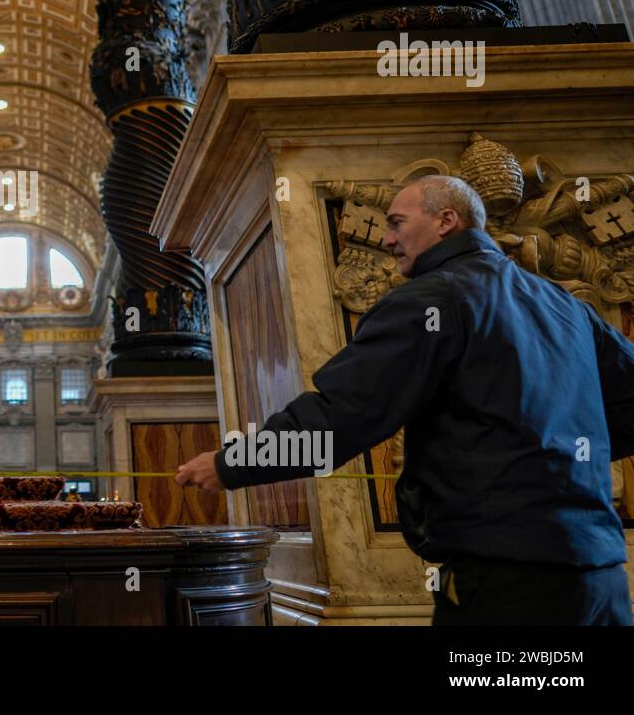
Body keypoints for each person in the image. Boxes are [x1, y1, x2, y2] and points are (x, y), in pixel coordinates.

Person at [175, 175, 634, 625]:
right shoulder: (565, 305)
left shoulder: (433, 300)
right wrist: (555, 449)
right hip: (600, 574)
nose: (389, 239)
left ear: (446, 221)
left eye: (396, 223)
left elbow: (340, 417)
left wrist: (231, 463)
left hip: (505, 578)